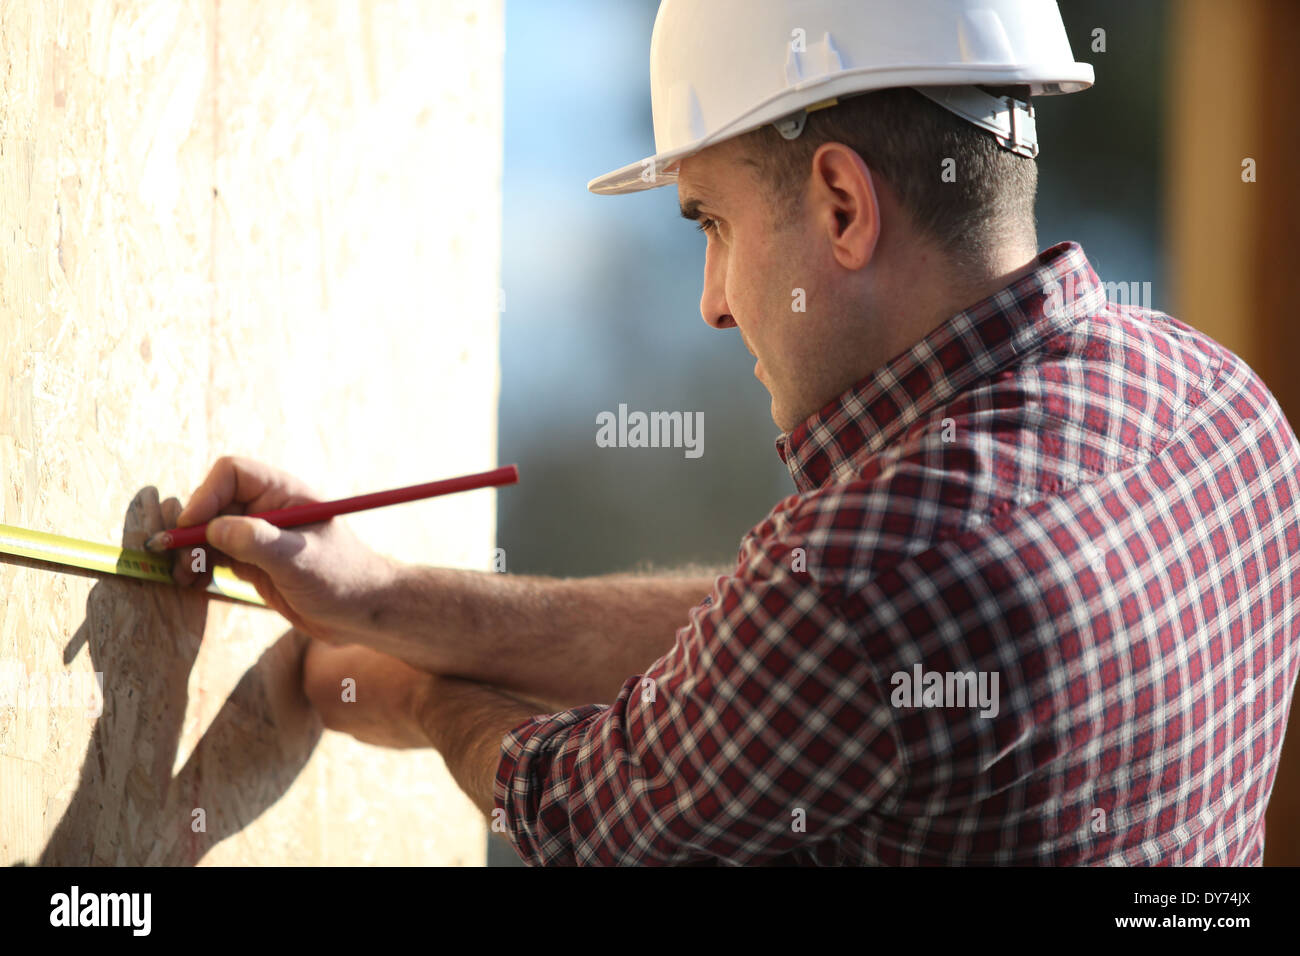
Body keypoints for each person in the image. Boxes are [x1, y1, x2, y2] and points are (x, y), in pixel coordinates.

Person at [168, 0, 1300, 864]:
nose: (711, 299)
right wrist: (393, 601)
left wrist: (407, 688)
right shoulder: (1231, 409)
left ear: (842, 205)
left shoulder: (873, 569)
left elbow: (580, 815)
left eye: (711, 220)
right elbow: (786, 656)